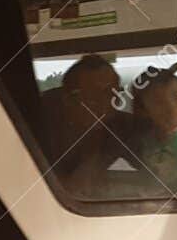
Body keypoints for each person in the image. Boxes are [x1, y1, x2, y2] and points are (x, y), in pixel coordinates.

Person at [48, 54, 129, 196]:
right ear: (69, 99)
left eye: (114, 94)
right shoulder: (43, 136)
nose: (107, 103)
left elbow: (150, 158)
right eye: (95, 95)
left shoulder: (119, 125)